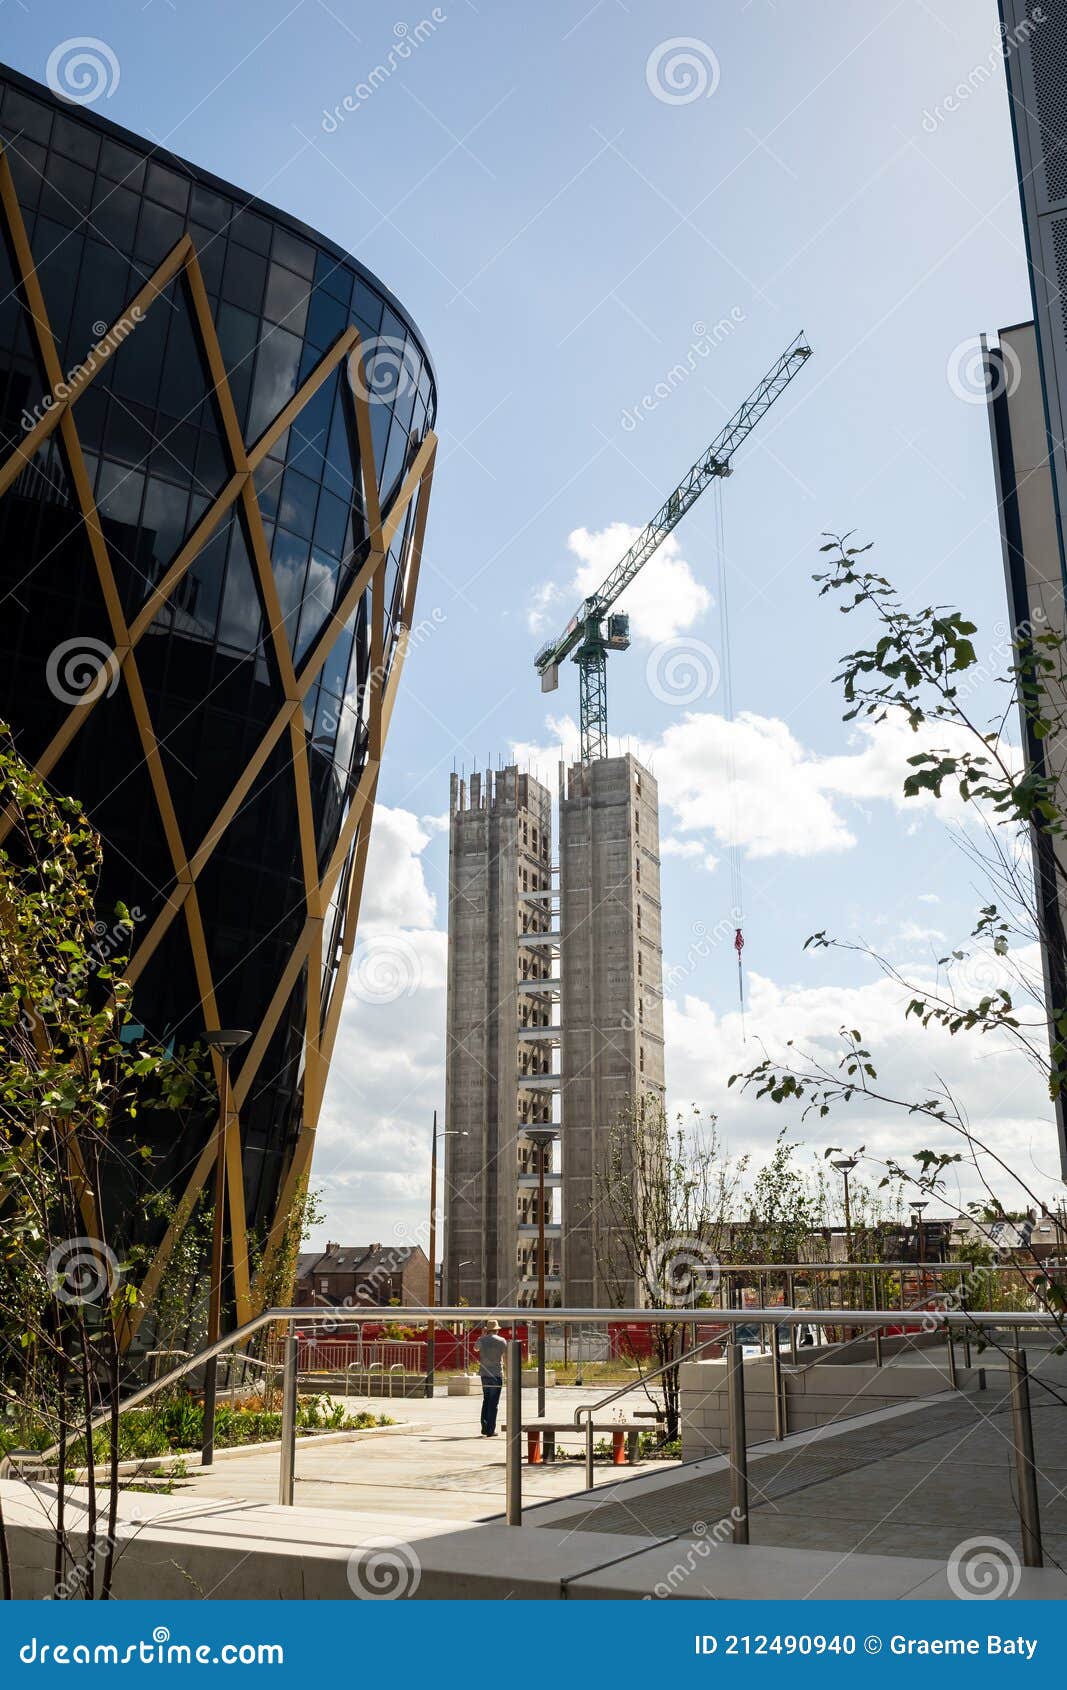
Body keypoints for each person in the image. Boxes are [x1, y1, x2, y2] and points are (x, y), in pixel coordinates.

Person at [477, 1318, 507, 1437]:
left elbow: (475, 1348)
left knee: (486, 1400)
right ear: (497, 1330)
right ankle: (490, 1429)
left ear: (487, 1329)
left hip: (484, 1374)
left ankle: (484, 1427)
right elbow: (506, 1357)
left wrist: (482, 1335)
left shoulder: (482, 1340)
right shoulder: (502, 1340)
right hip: (496, 1374)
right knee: (493, 1403)